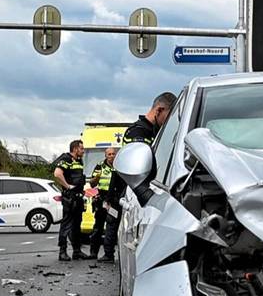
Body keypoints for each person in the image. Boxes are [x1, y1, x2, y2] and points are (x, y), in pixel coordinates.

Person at [102, 92, 177, 263]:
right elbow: (138, 167)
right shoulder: (137, 132)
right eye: (168, 116)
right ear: (159, 109)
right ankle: (108, 254)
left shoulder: (154, 131)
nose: (169, 122)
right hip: (136, 194)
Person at [52, 139, 87, 261]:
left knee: (77, 225)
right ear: (75, 149)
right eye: (81, 148)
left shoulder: (79, 161)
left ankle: (77, 251)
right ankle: (62, 252)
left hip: (78, 197)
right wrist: (67, 186)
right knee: (66, 225)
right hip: (69, 198)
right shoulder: (66, 159)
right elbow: (57, 174)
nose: (83, 151)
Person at [87, 146, 117, 261]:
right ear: (105, 156)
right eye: (109, 154)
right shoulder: (100, 166)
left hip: (114, 200)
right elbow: (92, 184)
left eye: (113, 154)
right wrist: (97, 178)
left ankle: (109, 254)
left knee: (112, 227)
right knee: (98, 227)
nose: (111, 156)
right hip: (102, 199)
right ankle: (93, 253)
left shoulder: (119, 166)